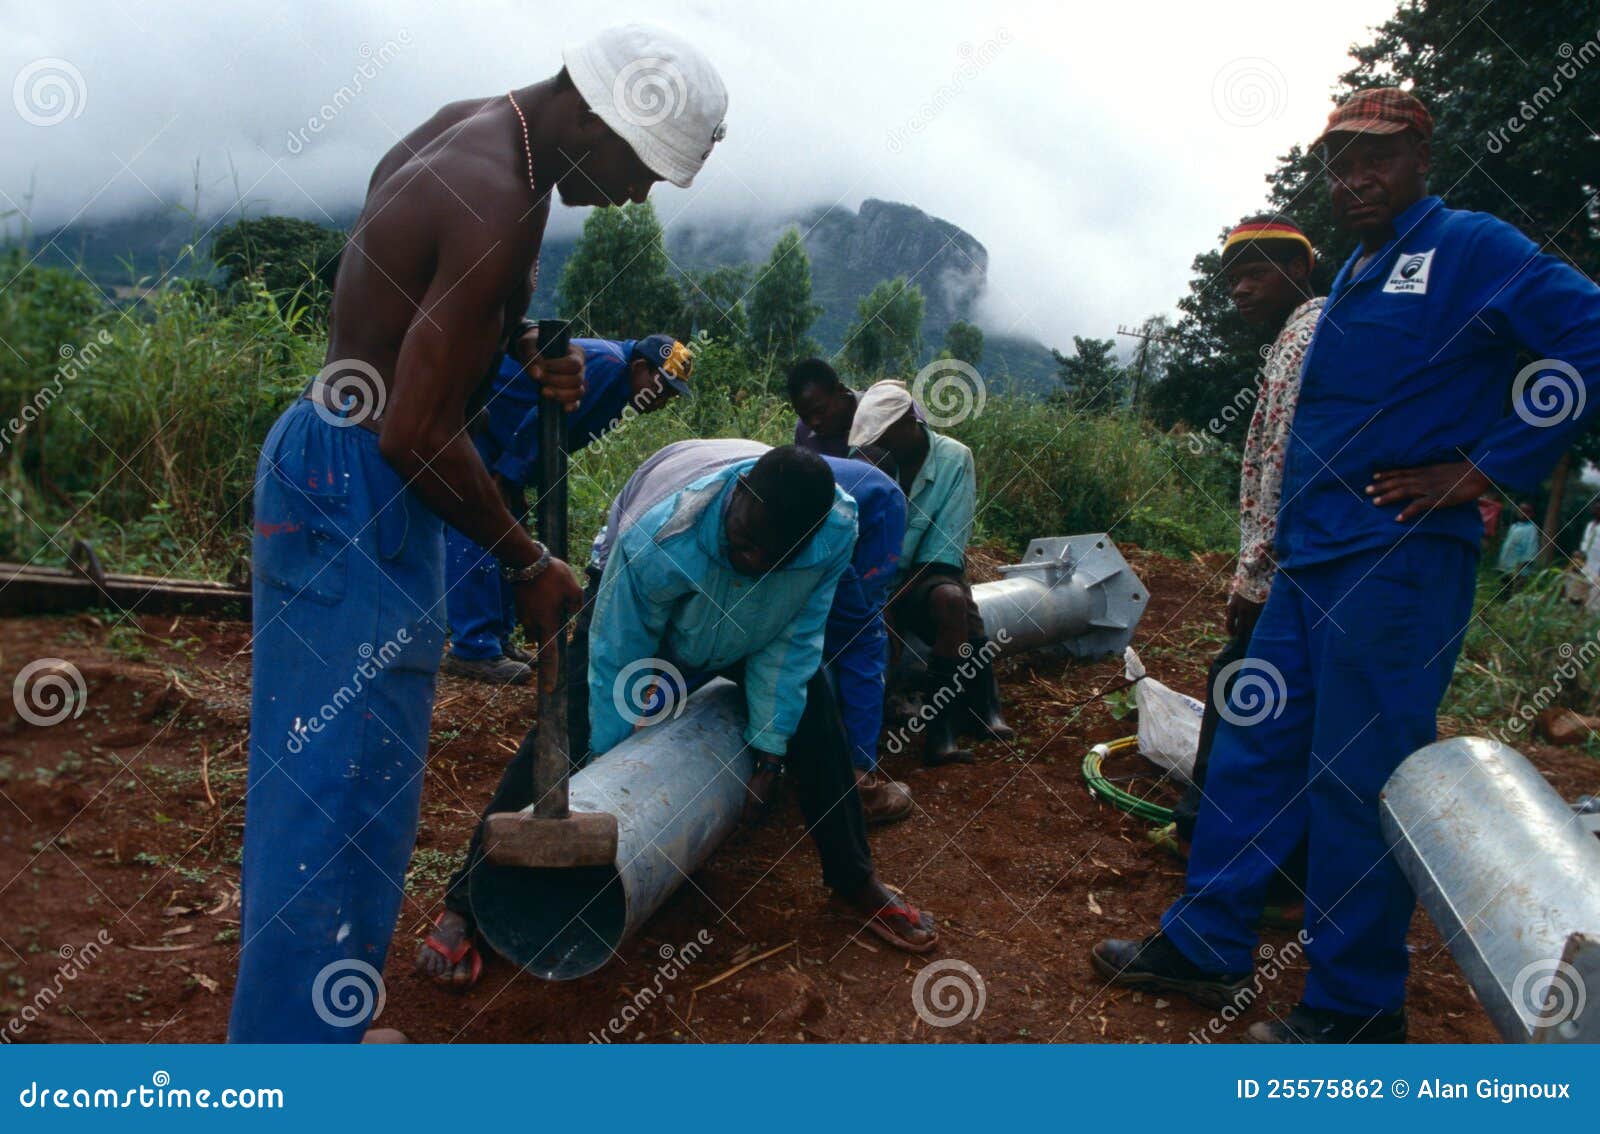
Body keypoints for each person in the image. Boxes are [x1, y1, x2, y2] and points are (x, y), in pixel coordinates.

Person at [230, 23, 727, 1043]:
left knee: (350, 786)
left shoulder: (479, 138)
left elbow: (426, 335)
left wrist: (530, 362)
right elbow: (415, 426)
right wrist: (526, 558)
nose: (635, 197)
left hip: (343, 459)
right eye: (638, 170)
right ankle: (288, 1066)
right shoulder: (498, 196)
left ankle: (322, 1028)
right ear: (593, 116)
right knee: (336, 799)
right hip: (358, 478)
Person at [1093, 87, 1600, 1044]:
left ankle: (1355, 1007)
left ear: (1422, 158)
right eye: (1338, 162)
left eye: (1377, 157)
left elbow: (1589, 332)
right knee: (1253, 750)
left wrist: (1488, 468)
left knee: (1355, 778)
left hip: (1400, 564)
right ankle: (1207, 946)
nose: (1354, 178)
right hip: (1311, 560)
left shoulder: (1471, 247)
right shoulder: (1362, 270)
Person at [417, 444, 936, 987]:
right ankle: (465, 904)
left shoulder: (833, 534)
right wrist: (614, 773)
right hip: (646, 615)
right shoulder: (661, 538)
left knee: (815, 705)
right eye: (744, 544)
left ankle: (855, 880)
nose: (754, 561)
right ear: (736, 499)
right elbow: (619, 661)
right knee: (567, 722)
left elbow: (794, 639)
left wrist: (769, 749)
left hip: (752, 627)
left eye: (773, 556)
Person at [1169, 216, 1322, 913]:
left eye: (1256, 274)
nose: (1240, 290)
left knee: (1241, 688)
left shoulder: (1304, 337)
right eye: (1233, 278)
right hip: (1301, 566)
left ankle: (1208, 838)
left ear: (1299, 271)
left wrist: (1253, 576)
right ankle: (1269, 857)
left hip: (1289, 571)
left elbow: (1280, 465)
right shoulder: (1296, 338)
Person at [442, 335, 692, 684]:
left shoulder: (621, 384)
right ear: (640, 368)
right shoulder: (608, 368)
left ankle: (496, 638)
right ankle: (473, 648)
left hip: (503, 436)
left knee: (509, 530)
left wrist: (517, 479)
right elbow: (541, 415)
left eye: (671, 395)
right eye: (662, 388)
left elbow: (557, 436)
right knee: (480, 526)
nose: (663, 401)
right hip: (483, 422)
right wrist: (506, 476)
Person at [847, 379, 1011, 765]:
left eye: (886, 436)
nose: (879, 446)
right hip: (875, 576)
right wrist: (874, 597)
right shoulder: (870, 460)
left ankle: (942, 730)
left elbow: (941, 553)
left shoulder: (955, 459)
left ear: (910, 422)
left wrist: (892, 603)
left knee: (953, 603)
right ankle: (862, 742)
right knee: (872, 634)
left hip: (928, 573)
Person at [788, 357, 921, 457]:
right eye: (804, 416)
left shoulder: (888, 412)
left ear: (840, 391)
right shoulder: (803, 431)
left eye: (821, 411)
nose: (814, 422)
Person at [1496, 501, 1540, 582]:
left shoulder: (1532, 529)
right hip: (1504, 568)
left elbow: (1531, 552)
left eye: (1527, 511)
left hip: (1517, 572)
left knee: (1513, 592)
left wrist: (1519, 569)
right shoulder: (1514, 526)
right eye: (1521, 510)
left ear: (1532, 514)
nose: (1522, 513)